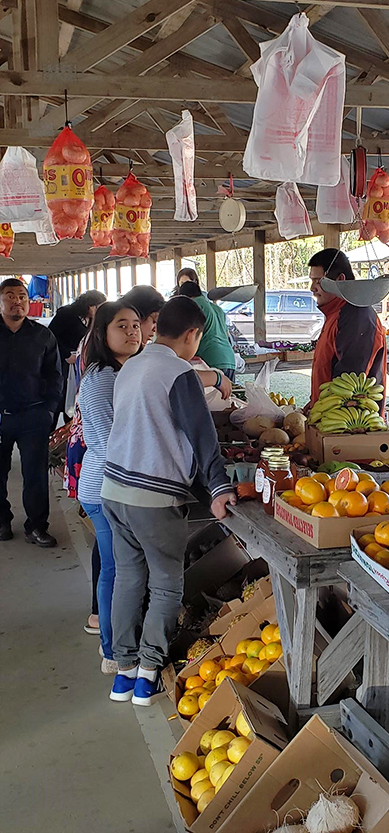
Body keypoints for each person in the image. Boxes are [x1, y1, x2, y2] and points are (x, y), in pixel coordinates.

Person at [101, 296, 236, 705]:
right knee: (164, 586)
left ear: (156, 327)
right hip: (152, 498)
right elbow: (202, 435)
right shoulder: (178, 372)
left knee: (128, 578)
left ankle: (122, 674)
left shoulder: (131, 367)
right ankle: (147, 674)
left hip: (114, 491)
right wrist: (218, 489)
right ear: (193, 334)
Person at [77, 302, 142, 674]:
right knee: (116, 568)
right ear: (103, 334)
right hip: (106, 486)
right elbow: (105, 441)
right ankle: (113, 651)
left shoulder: (123, 371)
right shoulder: (103, 377)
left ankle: (113, 646)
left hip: (112, 484)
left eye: (136, 325)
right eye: (123, 326)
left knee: (115, 566)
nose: (133, 332)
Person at [0, 278, 62, 547]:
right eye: (11, 296)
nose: (18, 301)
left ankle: (36, 526)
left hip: (33, 415)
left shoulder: (42, 335)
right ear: (1, 301)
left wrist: (49, 411)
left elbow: (55, 376)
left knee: (35, 475)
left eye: (23, 296)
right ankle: (1, 521)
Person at [308, 248, 387, 406]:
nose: (312, 288)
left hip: (353, 424)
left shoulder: (356, 316)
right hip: (327, 417)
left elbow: (350, 386)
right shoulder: (335, 314)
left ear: (340, 279)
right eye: (312, 281)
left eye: (318, 281)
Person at [48, 289, 106, 426]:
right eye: (98, 307)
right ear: (90, 306)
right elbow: (50, 337)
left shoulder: (92, 320)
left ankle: (71, 432)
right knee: (58, 399)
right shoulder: (66, 314)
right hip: (61, 362)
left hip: (78, 365)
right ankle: (49, 439)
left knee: (74, 402)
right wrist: (66, 354)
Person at [176, 280, 237, 382]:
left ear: (184, 298)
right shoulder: (217, 309)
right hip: (229, 359)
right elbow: (226, 334)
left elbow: (187, 334)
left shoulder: (193, 306)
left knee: (211, 397)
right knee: (229, 397)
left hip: (210, 360)